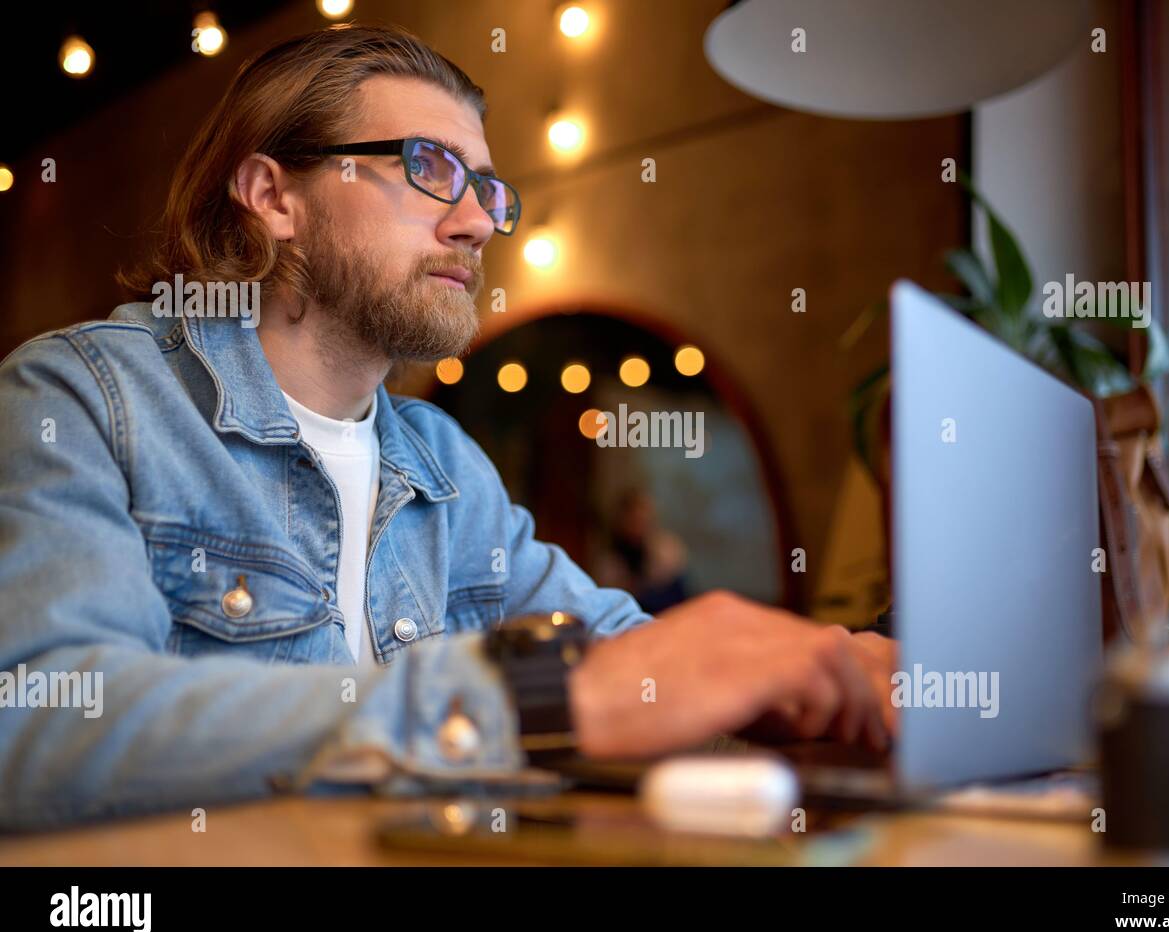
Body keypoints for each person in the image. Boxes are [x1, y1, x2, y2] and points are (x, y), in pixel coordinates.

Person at [0, 24, 895, 830]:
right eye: (430, 167)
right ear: (275, 196)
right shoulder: (85, 398)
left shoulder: (441, 462)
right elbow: (35, 725)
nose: (476, 223)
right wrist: (520, 704)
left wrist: (818, 676)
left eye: (487, 190)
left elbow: (630, 664)